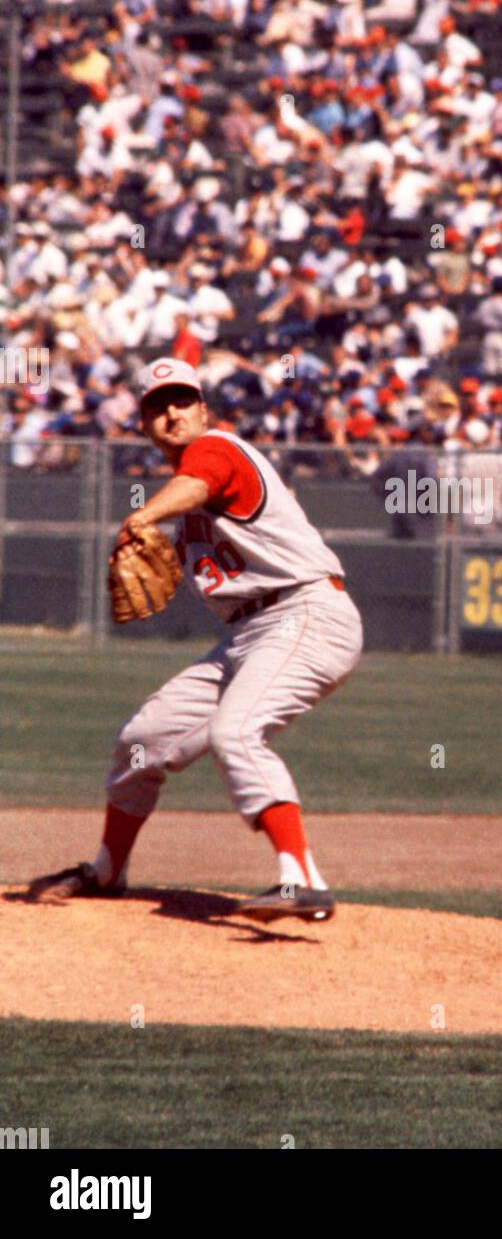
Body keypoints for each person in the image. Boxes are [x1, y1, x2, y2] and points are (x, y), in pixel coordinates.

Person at [28, 357, 364, 923]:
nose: (172, 414)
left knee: (236, 731)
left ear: (204, 411)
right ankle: (107, 871)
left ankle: (303, 879)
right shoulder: (185, 515)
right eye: (158, 407)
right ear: (143, 423)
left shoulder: (217, 449)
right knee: (140, 741)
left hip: (306, 612)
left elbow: (198, 480)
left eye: (183, 401)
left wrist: (142, 517)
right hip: (251, 634)